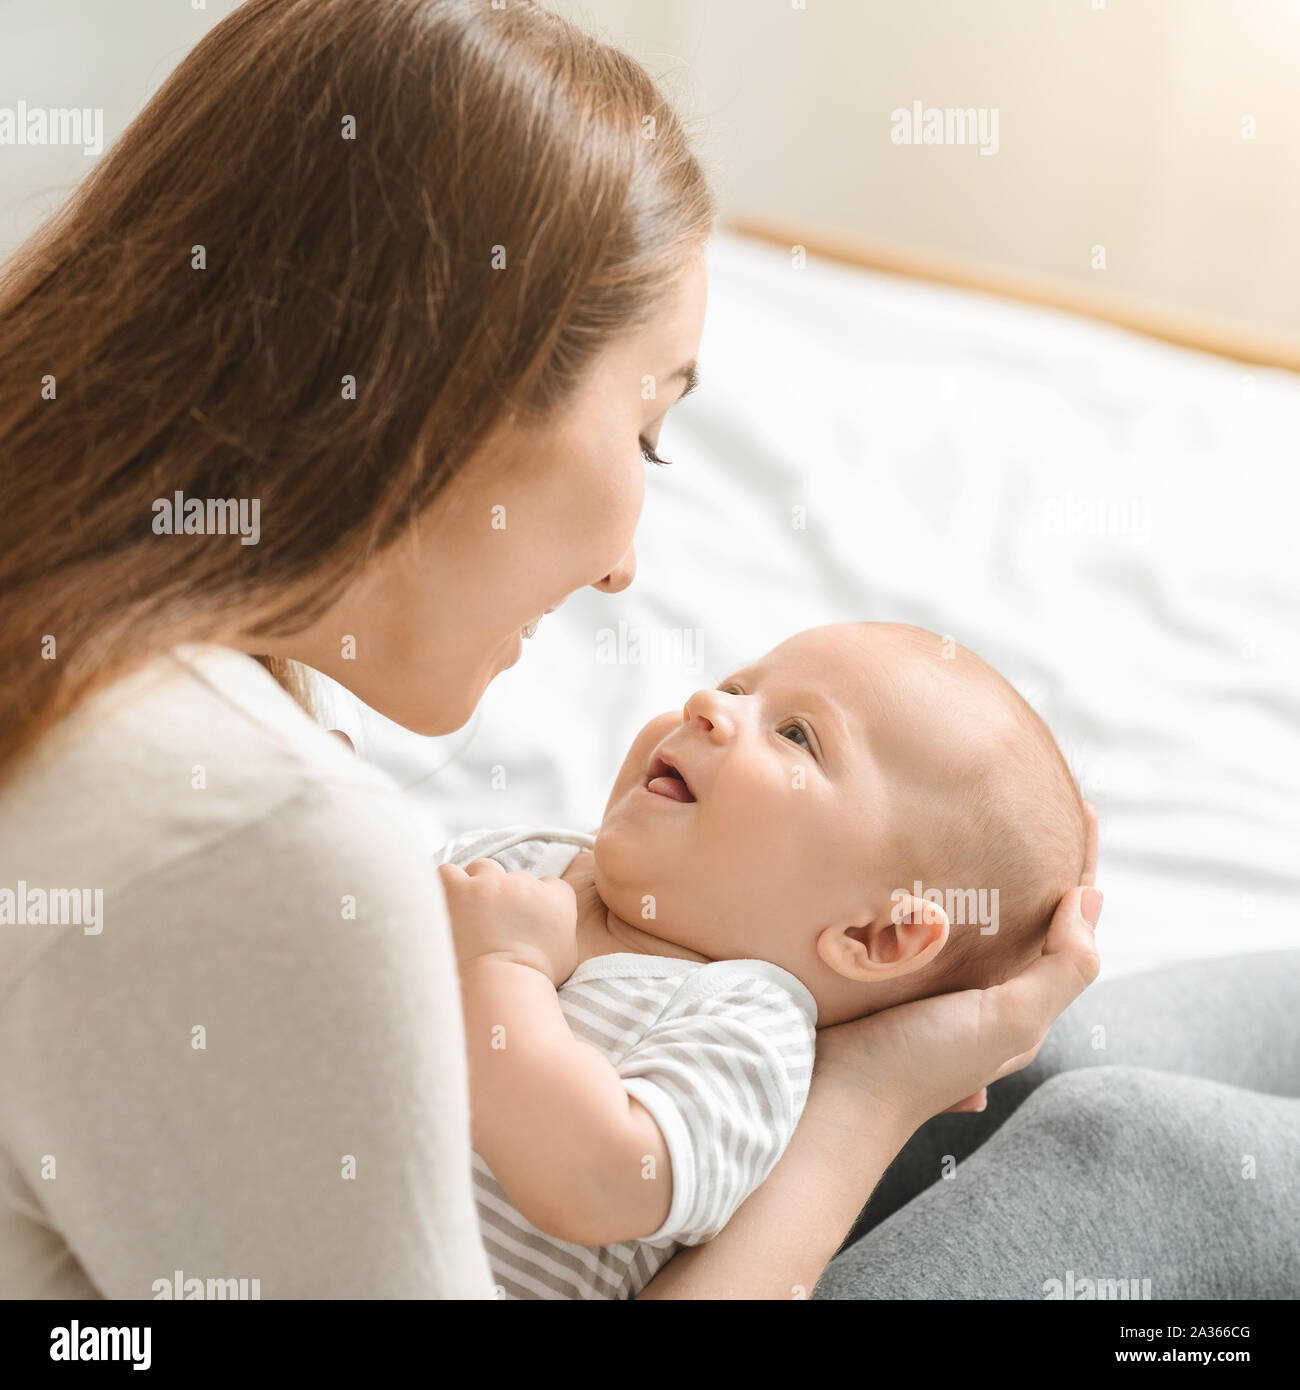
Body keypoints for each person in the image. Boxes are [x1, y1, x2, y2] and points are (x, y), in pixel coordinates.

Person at [1, 0, 1285, 1302]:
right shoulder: (259, 841)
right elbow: (589, 1175)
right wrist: (873, 1089)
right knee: (1136, 1146)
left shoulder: (110, 668)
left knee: (1065, 1065)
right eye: (649, 431)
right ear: (454, 392)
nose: (625, 562)